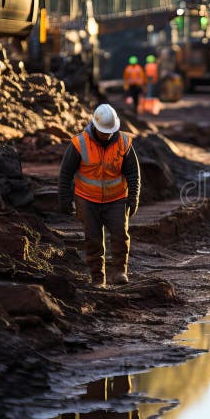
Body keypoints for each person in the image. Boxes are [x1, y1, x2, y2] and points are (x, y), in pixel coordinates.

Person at [58, 104, 140, 287]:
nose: (107, 135)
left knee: (120, 235)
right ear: (94, 125)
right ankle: (97, 278)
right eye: (104, 132)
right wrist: (64, 199)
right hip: (87, 200)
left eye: (110, 131)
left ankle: (120, 271)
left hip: (117, 198)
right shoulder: (79, 144)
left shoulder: (124, 143)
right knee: (93, 240)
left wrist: (134, 196)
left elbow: (133, 173)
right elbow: (66, 173)